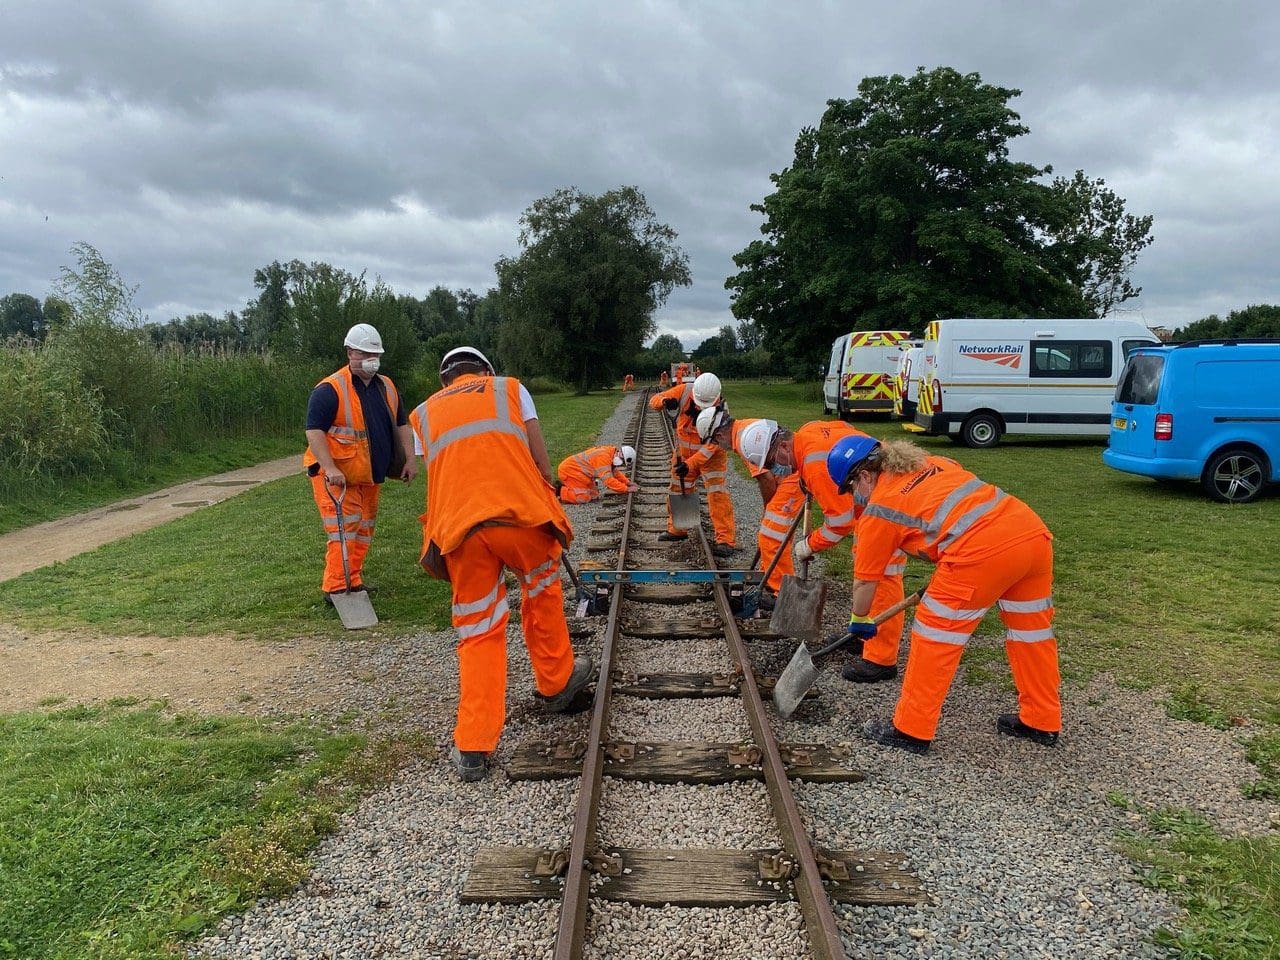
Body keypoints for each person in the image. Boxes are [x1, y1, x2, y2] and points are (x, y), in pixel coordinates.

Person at [409, 346, 593, 782]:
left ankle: (473, 744)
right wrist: (549, 487)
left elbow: (441, 467)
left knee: (478, 630)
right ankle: (556, 684)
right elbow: (537, 451)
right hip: (519, 517)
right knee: (542, 592)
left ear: (444, 379)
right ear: (485, 370)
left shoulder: (423, 413)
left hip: (460, 530)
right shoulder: (509, 389)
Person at [827, 436, 1060, 755]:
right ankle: (1041, 719)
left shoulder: (880, 508)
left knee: (933, 635)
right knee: (1031, 635)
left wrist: (860, 620)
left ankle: (910, 729)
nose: (856, 498)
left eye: (852, 489)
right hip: (1031, 536)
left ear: (864, 477)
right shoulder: (931, 462)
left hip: (980, 554)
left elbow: (866, 581)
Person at [701, 414, 906, 663]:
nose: (776, 469)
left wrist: (808, 545)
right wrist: (804, 479)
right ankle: (868, 638)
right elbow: (848, 431)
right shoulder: (808, 431)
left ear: (784, 446)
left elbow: (840, 524)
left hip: (886, 501)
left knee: (881, 574)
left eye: (774, 461)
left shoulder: (814, 465)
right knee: (871, 570)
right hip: (875, 488)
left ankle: (880, 660)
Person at [303, 323, 416, 600]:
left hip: (369, 476)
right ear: (350, 353)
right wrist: (329, 468)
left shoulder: (387, 386)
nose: (371, 359)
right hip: (337, 477)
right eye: (365, 353)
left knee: (363, 532)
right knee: (343, 533)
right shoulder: (329, 389)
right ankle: (336, 587)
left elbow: (402, 424)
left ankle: (352, 579)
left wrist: (410, 459)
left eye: (375, 353)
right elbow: (314, 430)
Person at [647, 372, 735, 557]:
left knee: (717, 494)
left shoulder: (722, 412)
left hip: (711, 459)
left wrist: (690, 464)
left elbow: (712, 446)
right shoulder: (685, 391)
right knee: (680, 489)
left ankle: (725, 540)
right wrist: (663, 402)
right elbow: (654, 400)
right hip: (683, 454)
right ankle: (679, 529)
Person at [557, 445, 639, 503]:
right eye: (622, 462)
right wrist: (626, 489)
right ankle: (559, 492)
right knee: (583, 498)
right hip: (569, 472)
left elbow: (615, 473)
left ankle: (569, 488)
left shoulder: (610, 454)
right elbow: (608, 480)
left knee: (594, 496)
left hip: (582, 475)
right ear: (620, 453)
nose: (621, 464)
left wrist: (628, 483)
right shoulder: (603, 457)